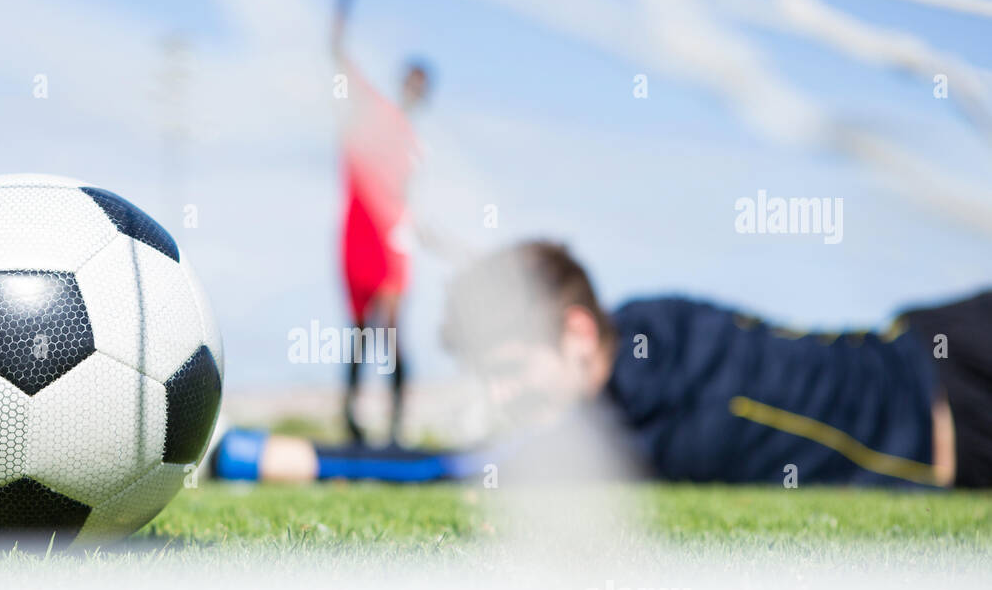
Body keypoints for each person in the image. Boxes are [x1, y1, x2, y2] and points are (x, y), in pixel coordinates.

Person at [214, 239, 990, 488]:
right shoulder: (605, 413)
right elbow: (450, 463)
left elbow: (455, 463)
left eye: (512, 366)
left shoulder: (656, 350)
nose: (506, 394)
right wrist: (292, 455)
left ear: (580, 334)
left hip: (950, 363)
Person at [331, 0, 431, 445]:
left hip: (392, 244)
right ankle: (352, 419)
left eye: (420, 86)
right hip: (359, 234)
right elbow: (335, 52)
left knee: (392, 333)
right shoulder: (373, 112)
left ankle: (394, 427)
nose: (413, 90)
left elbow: (407, 204)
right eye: (410, 81)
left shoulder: (414, 143)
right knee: (359, 334)